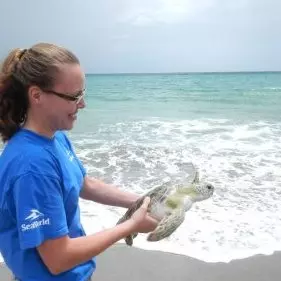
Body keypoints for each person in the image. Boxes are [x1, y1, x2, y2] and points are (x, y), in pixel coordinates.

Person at [0, 43, 158, 281]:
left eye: (82, 93)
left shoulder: (55, 137)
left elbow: (84, 184)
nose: (82, 104)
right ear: (36, 95)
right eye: (74, 96)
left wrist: (143, 202)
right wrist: (130, 226)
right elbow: (58, 259)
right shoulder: (32, 166)